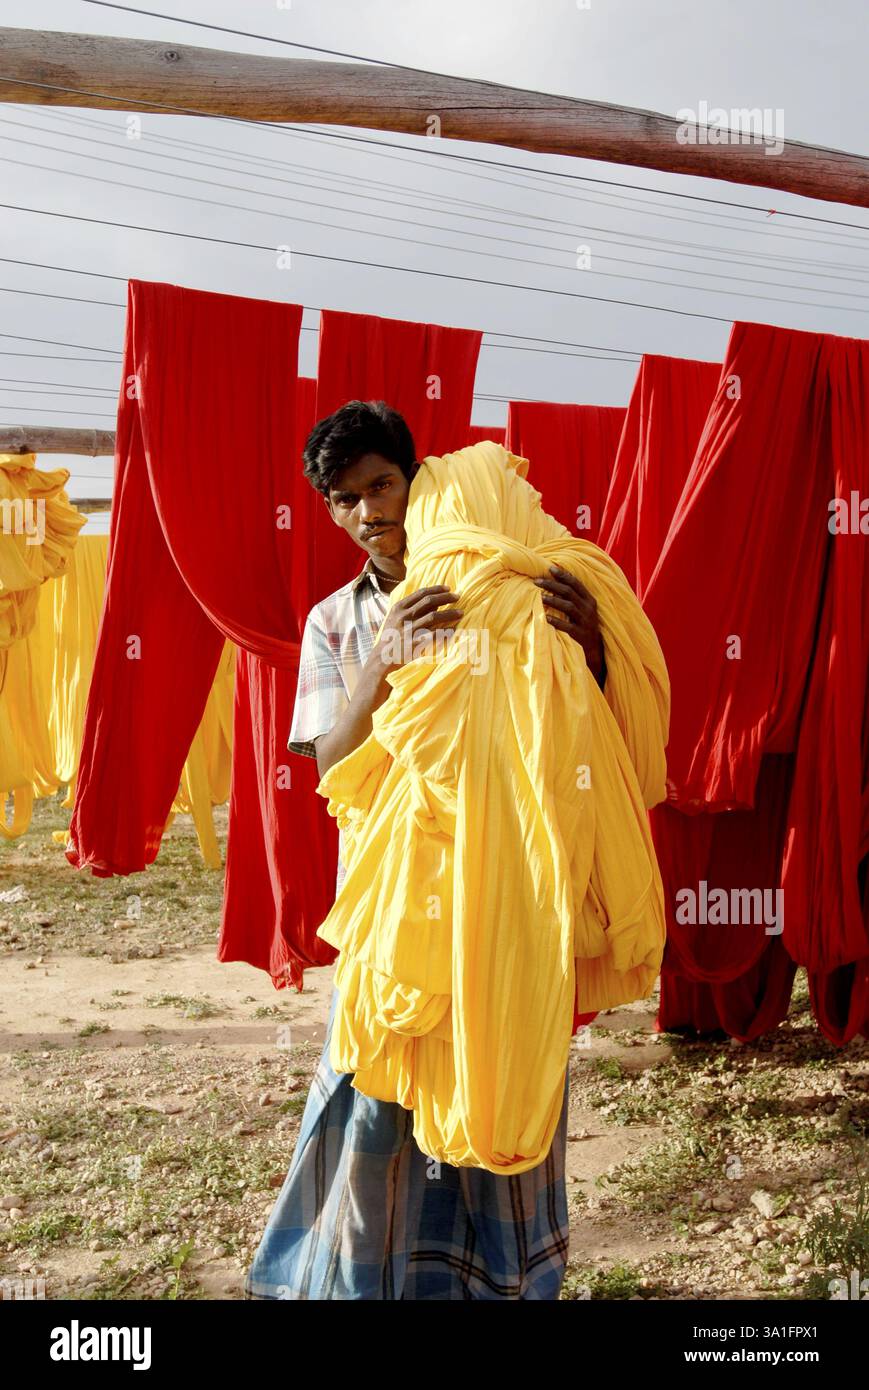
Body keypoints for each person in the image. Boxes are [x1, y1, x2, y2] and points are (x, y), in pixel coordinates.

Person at [244, 400, 606, 1301]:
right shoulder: (337, 622)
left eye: (382, 485)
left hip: (506, 898)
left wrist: (594, 648)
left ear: (417, 480)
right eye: (343, 498)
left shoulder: (514, 584)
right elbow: (327, 760)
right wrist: (384, 664)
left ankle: (510, 1285)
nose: (369, 511)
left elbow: (580, 725)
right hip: (394, 912)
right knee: (379, 1111)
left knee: (500, 1087)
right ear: (328, 511)